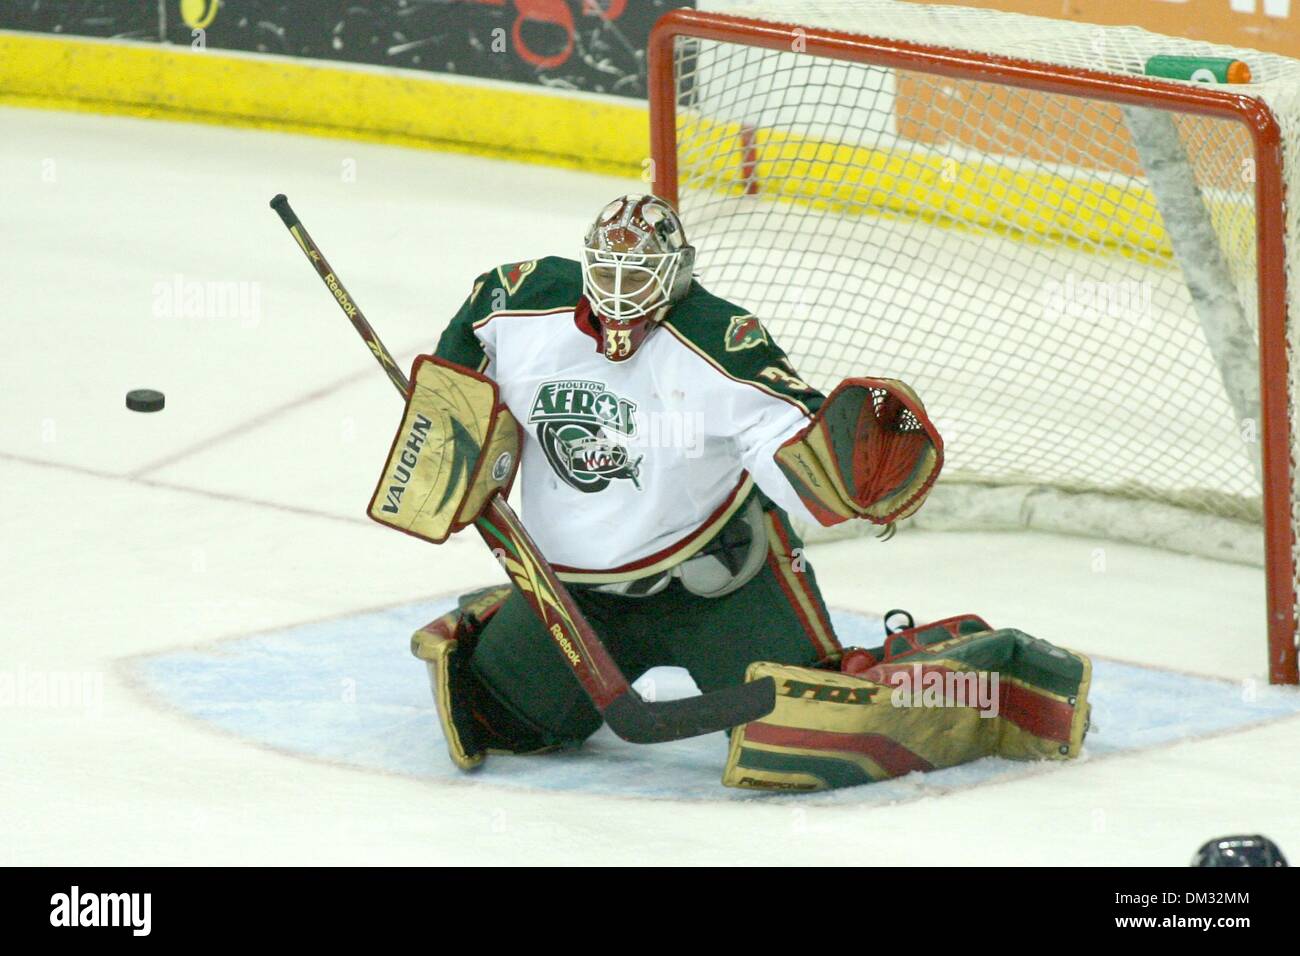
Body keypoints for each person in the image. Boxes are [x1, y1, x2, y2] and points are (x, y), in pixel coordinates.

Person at [407, 193, 944, 771]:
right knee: (503, 722)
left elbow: (781, 433)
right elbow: (474, 330)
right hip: (574, 593)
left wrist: (840, 478)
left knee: (808, 740)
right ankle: (499, 618)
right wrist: (450, 408)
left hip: (718, 582)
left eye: (638, 276)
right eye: (607, 273)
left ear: (677, 270)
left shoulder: (719, 338)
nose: (620, 292)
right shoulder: (522, 301)